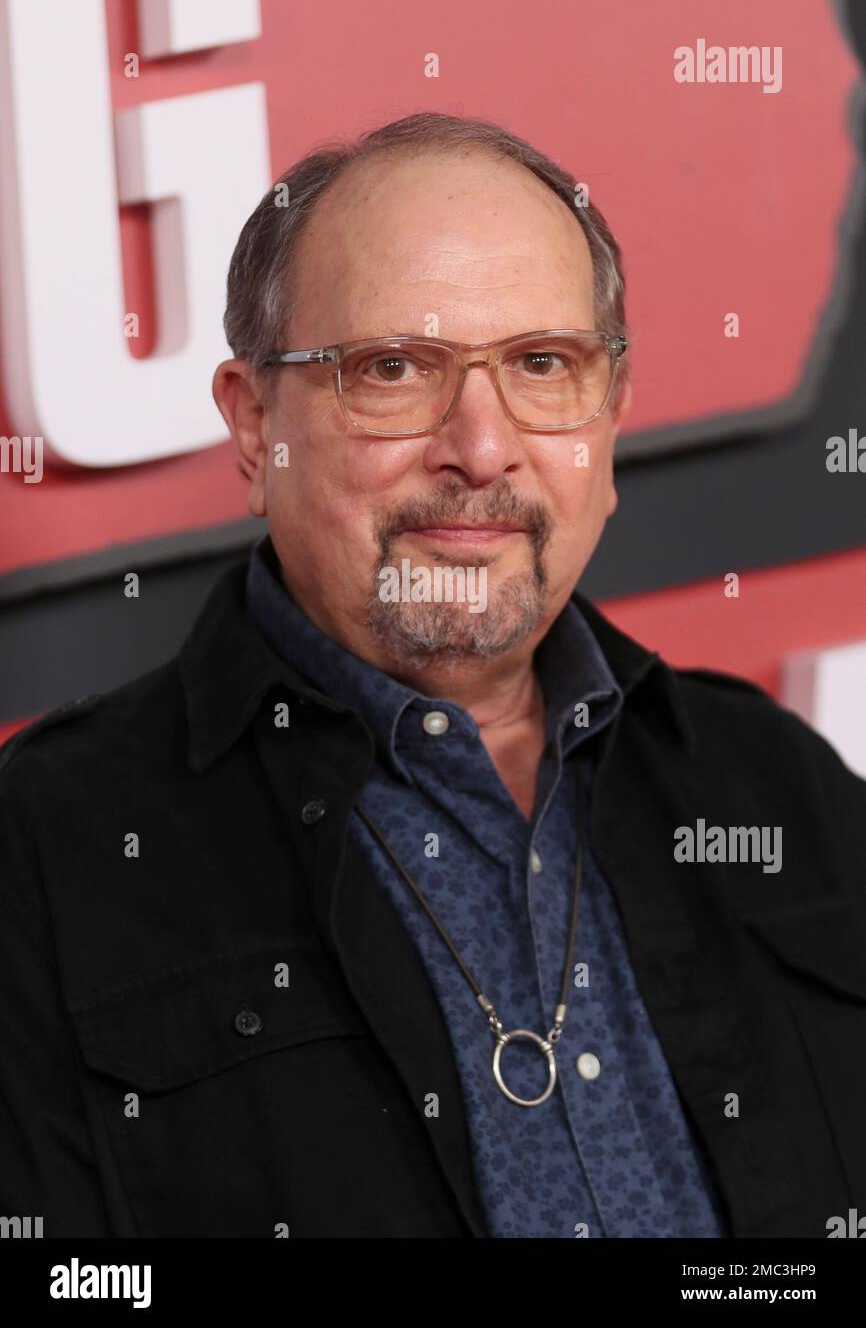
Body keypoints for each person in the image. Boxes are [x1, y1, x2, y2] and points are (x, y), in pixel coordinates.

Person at [2, 112, 865, 1240]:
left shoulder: (778, 783)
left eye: (542, 365)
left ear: (610, 420)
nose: (481, 447)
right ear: (255, 427)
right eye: (394, 369)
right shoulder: (44, 850)